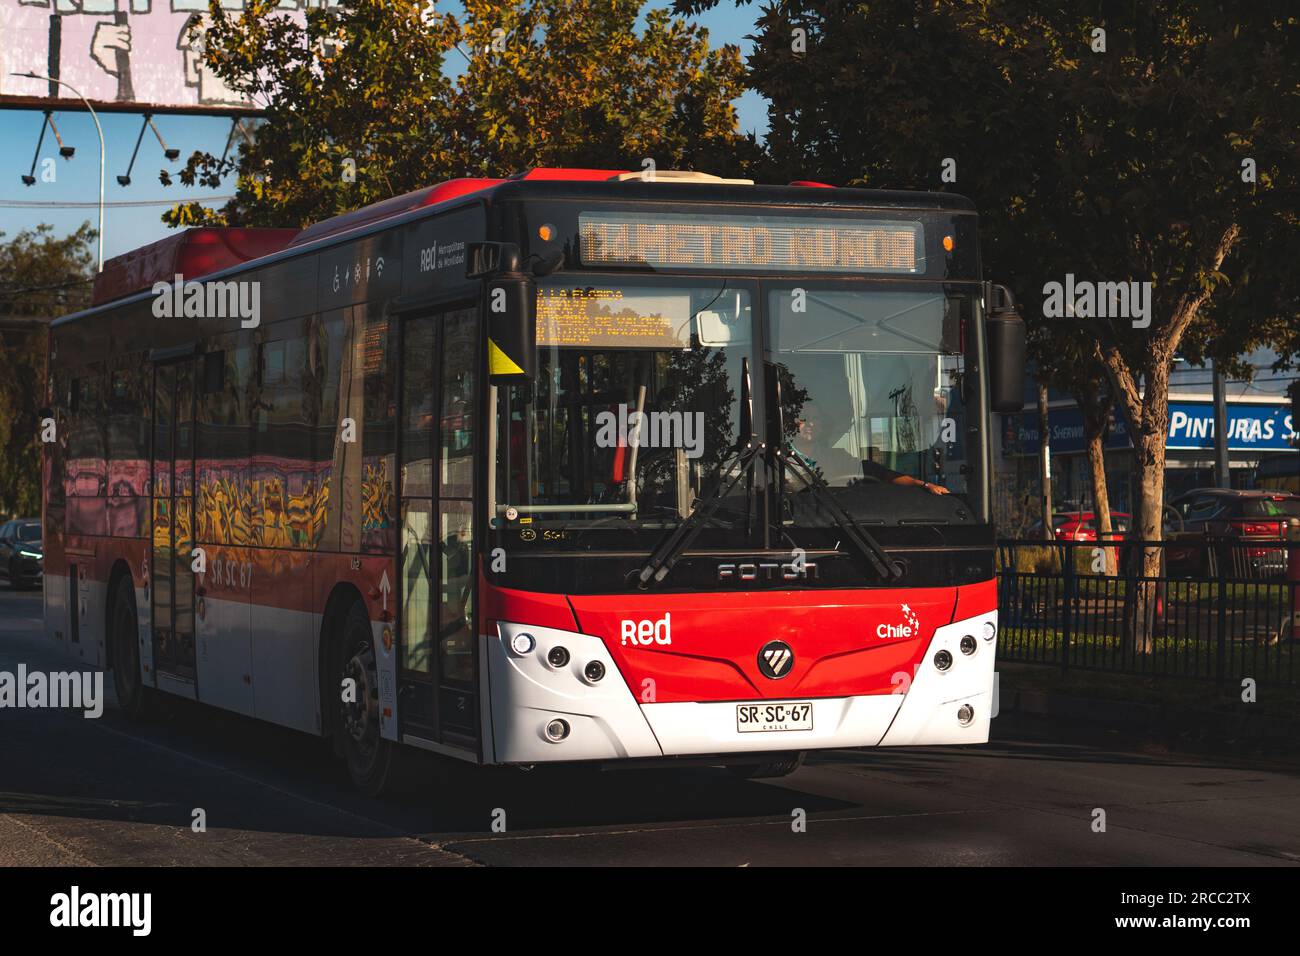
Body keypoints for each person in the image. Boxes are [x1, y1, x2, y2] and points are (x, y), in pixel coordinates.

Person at [791, 400, 949, 495]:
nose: (811, 423)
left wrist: (922, 485)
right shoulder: (780, 457)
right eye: (805, 418)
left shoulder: (836, 458)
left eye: (816, 419)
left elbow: (880, 474)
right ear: (792, 421)